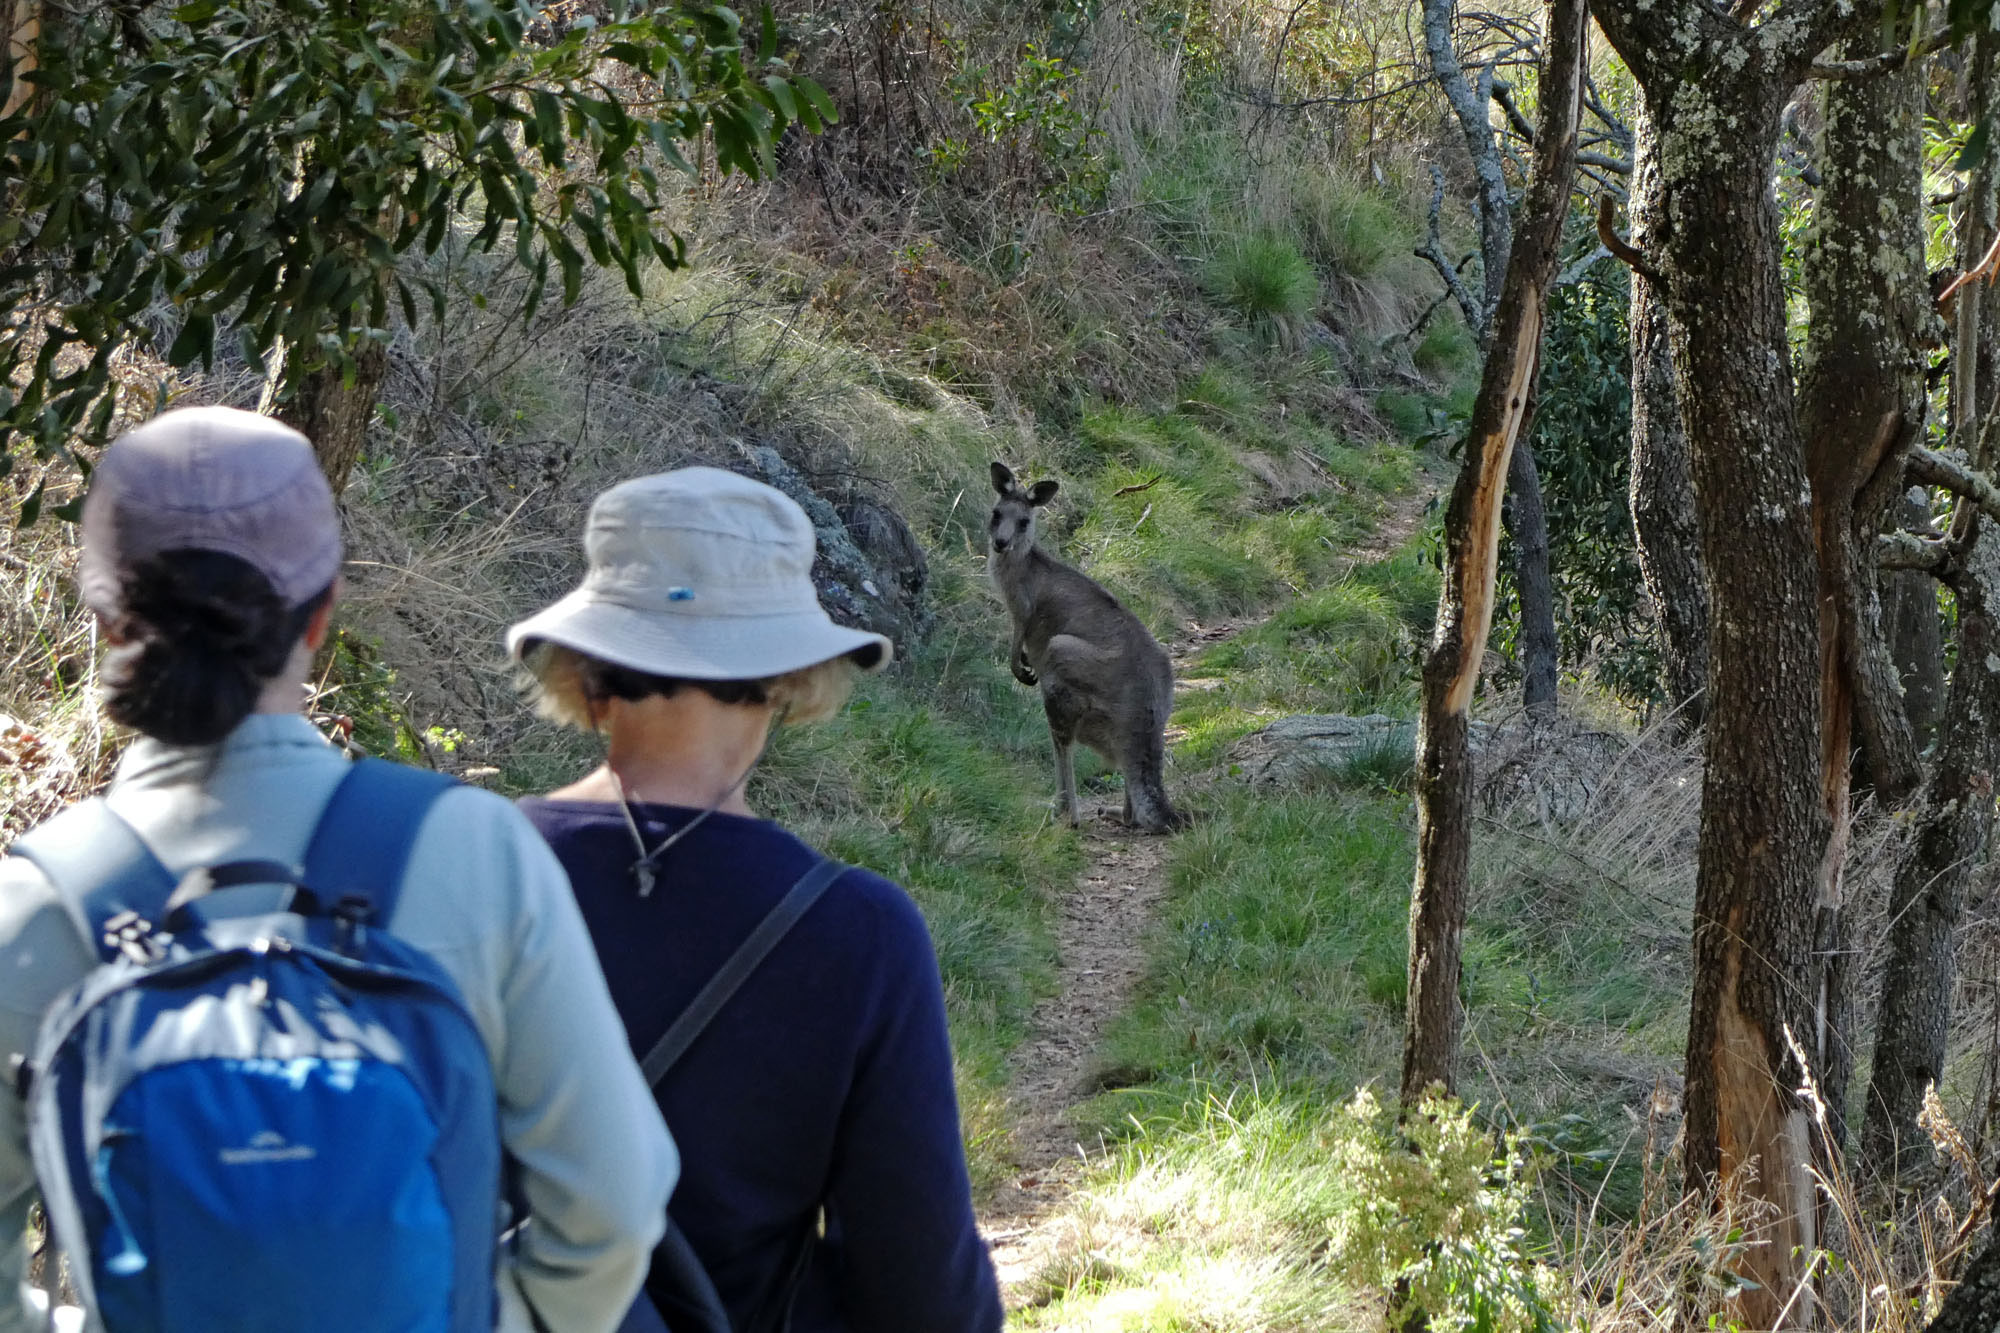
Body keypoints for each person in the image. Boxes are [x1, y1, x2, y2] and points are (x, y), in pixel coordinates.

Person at [0, 406, 677, 1333]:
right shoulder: (475, 851)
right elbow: (613, 1203)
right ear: (322, 612)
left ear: (110, 618)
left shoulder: (41, 899)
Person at [507, 468, 1004, 1333]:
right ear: (790, 674)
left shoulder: (464, 867)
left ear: (583, 664)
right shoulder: (859, 931)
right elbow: (924, 1291)